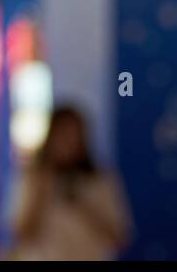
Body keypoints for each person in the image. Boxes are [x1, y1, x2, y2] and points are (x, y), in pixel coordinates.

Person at [11, 106, 131, 260]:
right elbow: (20, 233)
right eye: (62, 134)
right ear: (50, 137)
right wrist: (42, 193)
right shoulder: (34, 178)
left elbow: (120, 237)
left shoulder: (99, 181)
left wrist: (86, 205)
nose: (67, 142)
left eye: (73, 135)